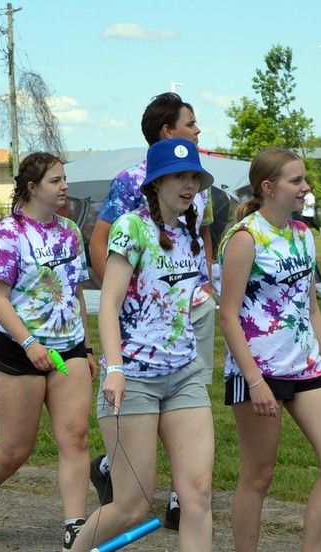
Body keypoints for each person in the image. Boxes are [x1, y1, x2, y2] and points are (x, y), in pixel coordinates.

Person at [45, 139, 246, 552]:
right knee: (133, 505)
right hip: (133, 377)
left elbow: (185, 290)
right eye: (180, 178)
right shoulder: (132, 228)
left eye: (195, 178)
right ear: (155, 184)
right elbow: (109, 304)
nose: (189, 186)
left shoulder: (190, 230)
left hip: (183, 375)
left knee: (197, 493)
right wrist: (113, 369)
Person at [218, 147, 321, 552]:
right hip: (259, 372)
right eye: (297, 180)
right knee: (258, 475)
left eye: (305, 180)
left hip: (306, 367)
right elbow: (228, 315)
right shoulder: (245, 238)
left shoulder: (302, 233)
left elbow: (310, 307)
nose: (306, 188)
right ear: (268, 187)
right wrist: (254, 380)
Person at [87, 93, 216, 528]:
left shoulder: (196, 186)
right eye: (191, 123)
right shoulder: (131, 182)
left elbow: (200, 235)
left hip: (187, 313)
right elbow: (103, 242)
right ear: (168, 131)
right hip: (139, 331)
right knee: (133, 500)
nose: (198, 130)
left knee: (190, 397)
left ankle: (184, 494)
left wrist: (205, 284)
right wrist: (128, 301)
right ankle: (114, 469)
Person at [0, 152, 96, 551]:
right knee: (16, 448)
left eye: (64, 179)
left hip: (68, 347)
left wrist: (87, 346)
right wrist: (29, 343)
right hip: (17, 350)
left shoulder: (70, 230)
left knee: (76, 438)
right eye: (56, 180)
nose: (64, 186)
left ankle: (75, 525)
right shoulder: (8, 232)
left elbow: (74, 292)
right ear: (33, 187)